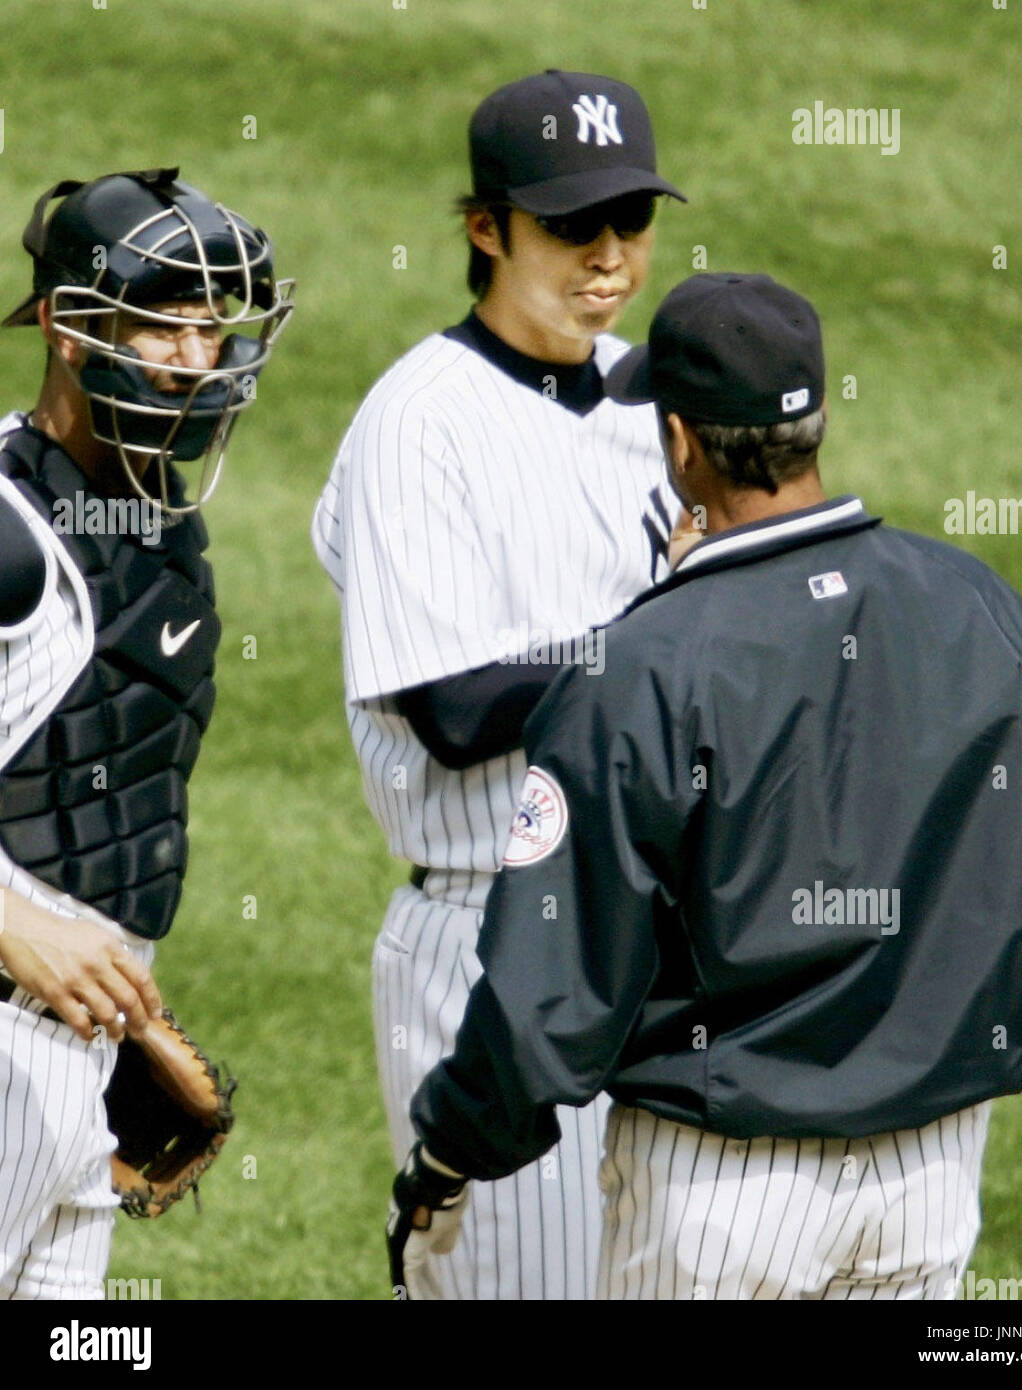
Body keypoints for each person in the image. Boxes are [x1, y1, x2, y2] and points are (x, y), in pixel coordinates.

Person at [388, 272, 1022, 1300]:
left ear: (679, 442)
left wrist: (446, 1158)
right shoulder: (974, 603)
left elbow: (547, 1007)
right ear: (813, 424)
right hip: (932, 1171)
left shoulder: (636, 669)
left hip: (720, 1194)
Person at [312, 69, 686, 1300]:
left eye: (628, 222)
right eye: (573, 226)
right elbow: (454, 707)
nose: (609, 258)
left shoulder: (653, 402)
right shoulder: (419, 420)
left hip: (657, 936)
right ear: (485, 229)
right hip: (493, 944)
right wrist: (653, 639)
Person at [0, 167, 293, 1299]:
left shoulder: (163, 533)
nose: (196, 355)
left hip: (82, 1060)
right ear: (72, 332)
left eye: (213, 325)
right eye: (162, 322)